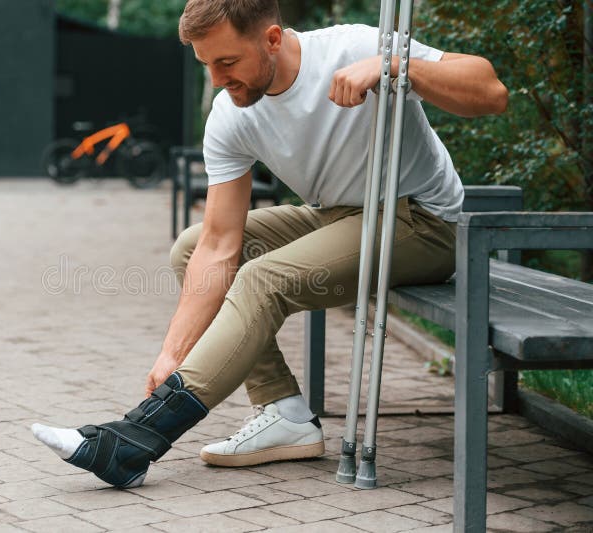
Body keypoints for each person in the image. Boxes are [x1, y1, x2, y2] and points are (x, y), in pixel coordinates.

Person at [31, 0, 508, 488]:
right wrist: (173, 351)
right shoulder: (231, 115)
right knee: (192, 247)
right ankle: (285, 414)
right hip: (337, 215)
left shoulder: (357, 47)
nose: (217, 79)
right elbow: (219, 243)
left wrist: (394, 67)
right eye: (207, 65)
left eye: (227, 62)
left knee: (263, 278)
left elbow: (491, 92)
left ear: (273, 39)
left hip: (424, 221)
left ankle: (136, 439)